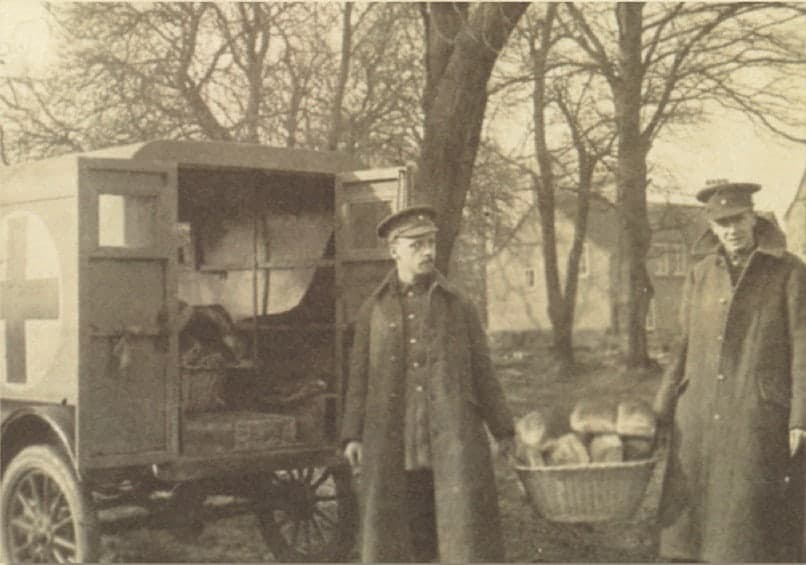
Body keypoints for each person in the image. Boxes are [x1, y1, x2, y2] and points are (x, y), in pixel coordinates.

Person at [341, 205, 515, 562]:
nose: (428, 252)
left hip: (451, 443)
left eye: (431, 243)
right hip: (394, 443)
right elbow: (359, 378)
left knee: (457, 536)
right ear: (395, 250)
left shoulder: (459, 307)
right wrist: (353, 435)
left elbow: (483, 373)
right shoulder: (373, 310)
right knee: (399, 536)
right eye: (416, 245)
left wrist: (504, 431)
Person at [653, 182, 806, 562]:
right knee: (693, 521)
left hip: (757, 411)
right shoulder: (700, 274)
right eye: (722, 222)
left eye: (738, 219)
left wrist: (799, 417)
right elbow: (682, 344)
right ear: (712, 226)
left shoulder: (788, 271)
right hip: (698, 412)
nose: (732, 229)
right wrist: (661, 410)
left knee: (748, 523)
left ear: (753, 218)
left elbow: (803, 346)